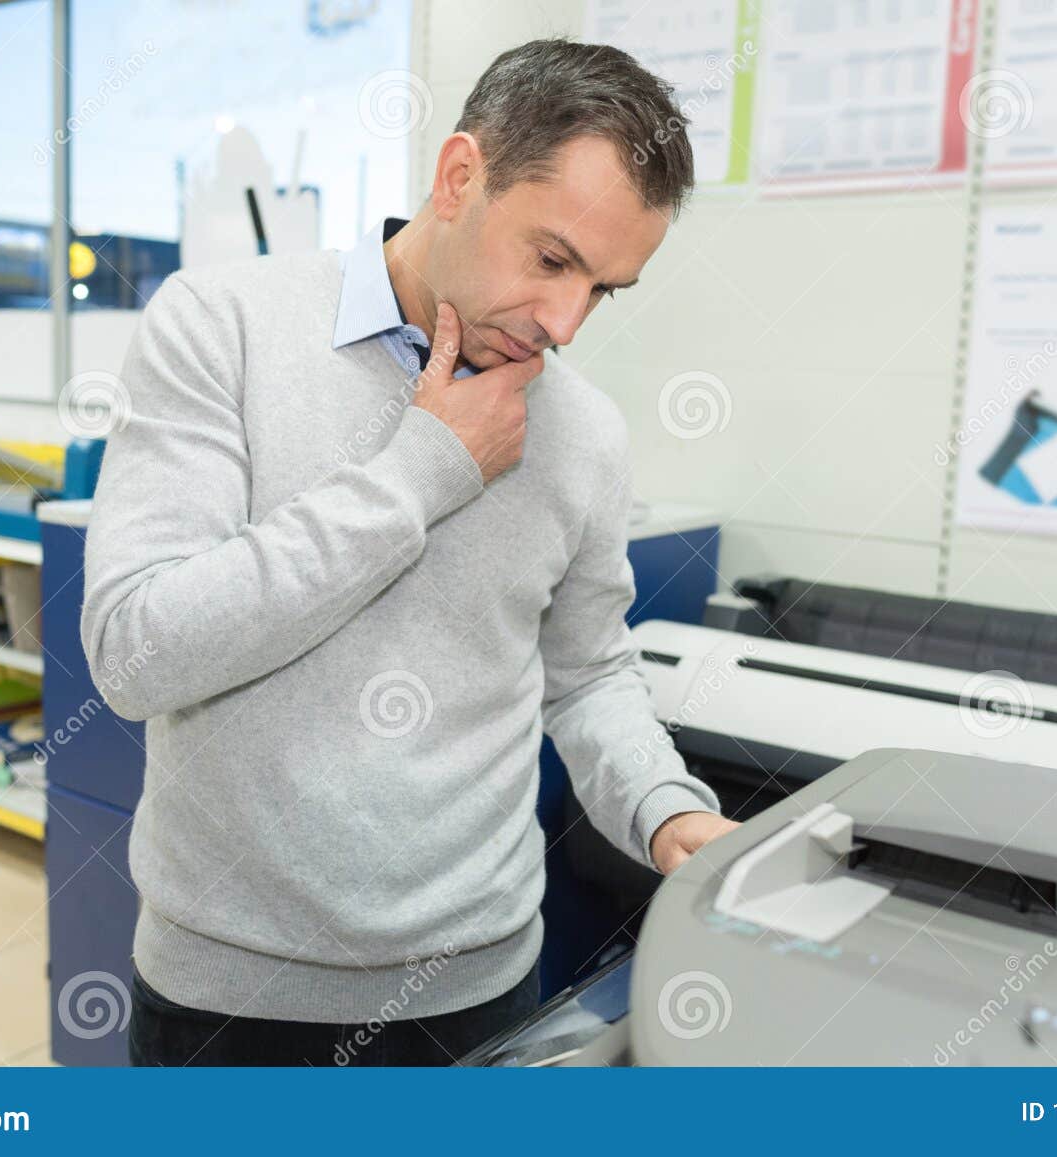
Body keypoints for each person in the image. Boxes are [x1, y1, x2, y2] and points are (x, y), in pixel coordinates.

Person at [81, 37, 737, 1067]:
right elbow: (136, 652)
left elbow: (587, 676)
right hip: (226, 996)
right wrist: (423, 469)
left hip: (477, 986)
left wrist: (662, 805)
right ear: (459, 177)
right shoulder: (219, 327)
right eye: (552, 260)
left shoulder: (585, 433)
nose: (565, 323)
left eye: (603, 288)